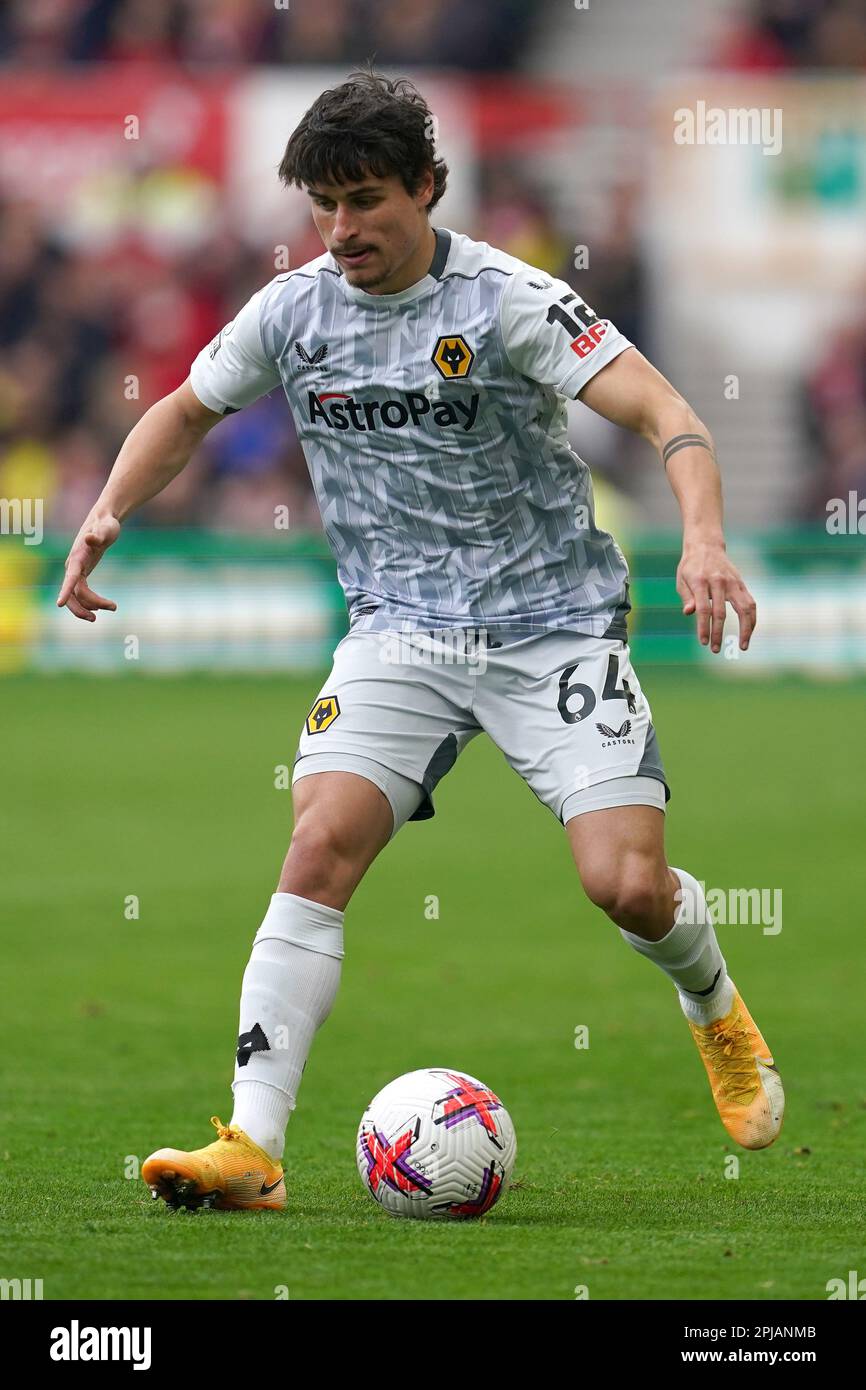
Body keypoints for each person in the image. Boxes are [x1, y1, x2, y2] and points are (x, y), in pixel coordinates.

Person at [57, 71, 782, 1213]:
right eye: (322, 205)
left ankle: (713, 1007)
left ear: (428, 188)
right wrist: (107, 509)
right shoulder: (292, 311)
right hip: (399, 629)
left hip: (551, 627)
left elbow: (666, 414)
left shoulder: (508, 303)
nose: (341, 230)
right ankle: (249, 1147)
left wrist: (700, 537)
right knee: (319, 841)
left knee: (626, 886)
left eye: (365, 200)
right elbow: (183, 410)